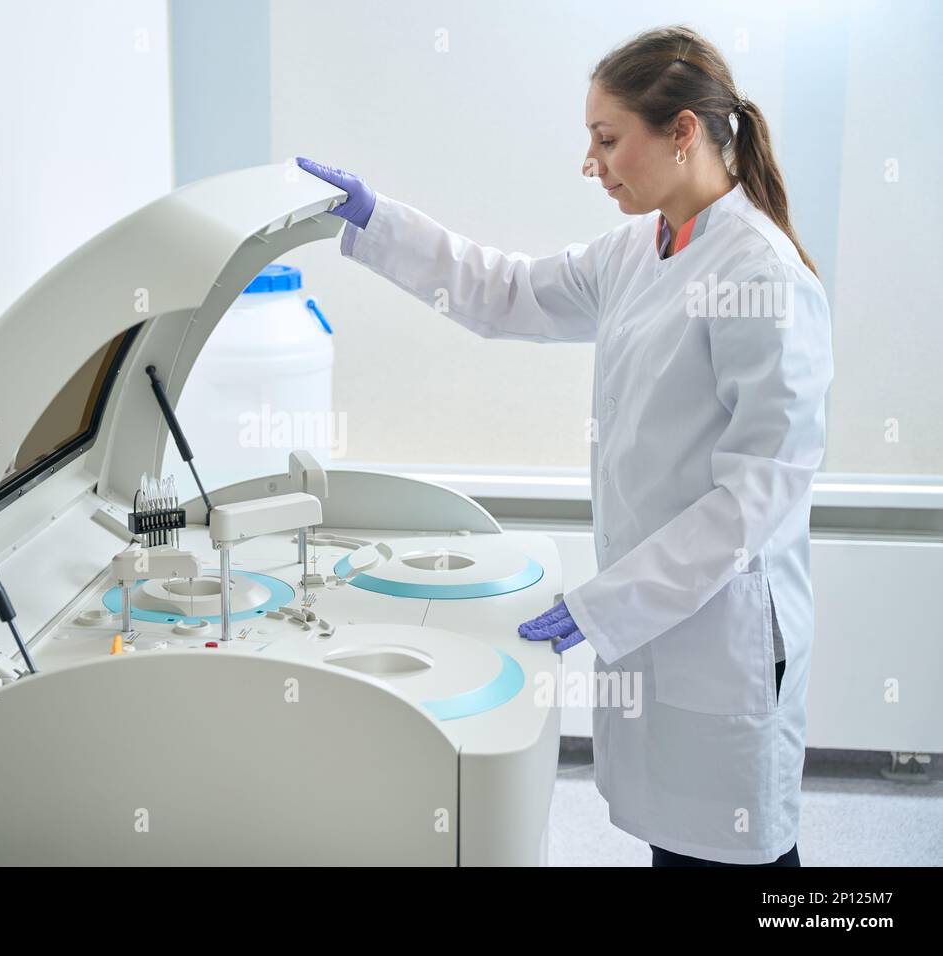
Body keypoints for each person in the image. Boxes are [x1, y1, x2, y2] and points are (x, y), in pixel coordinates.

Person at [297, 24, 833, 867]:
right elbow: (505, 292)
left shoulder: (762, 278)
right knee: (678, 849)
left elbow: (754, 501)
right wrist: (380, 223)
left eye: (609, 139)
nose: (594, 164)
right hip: (668, 633)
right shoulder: (638, 249)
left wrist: (605, 605)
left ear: (683, 132)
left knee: (737, 860)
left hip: (720, 637)